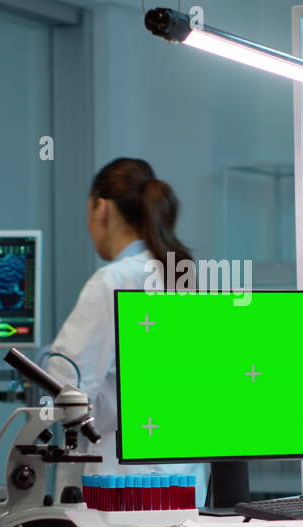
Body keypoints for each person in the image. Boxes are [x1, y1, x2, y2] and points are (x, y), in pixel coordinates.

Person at [45, 158, 209, 505]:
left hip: (121, 482)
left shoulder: (113, 280)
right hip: (183, 476)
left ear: (101, 208)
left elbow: (67, 388)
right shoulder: (183, 274)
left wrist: (45, 359)